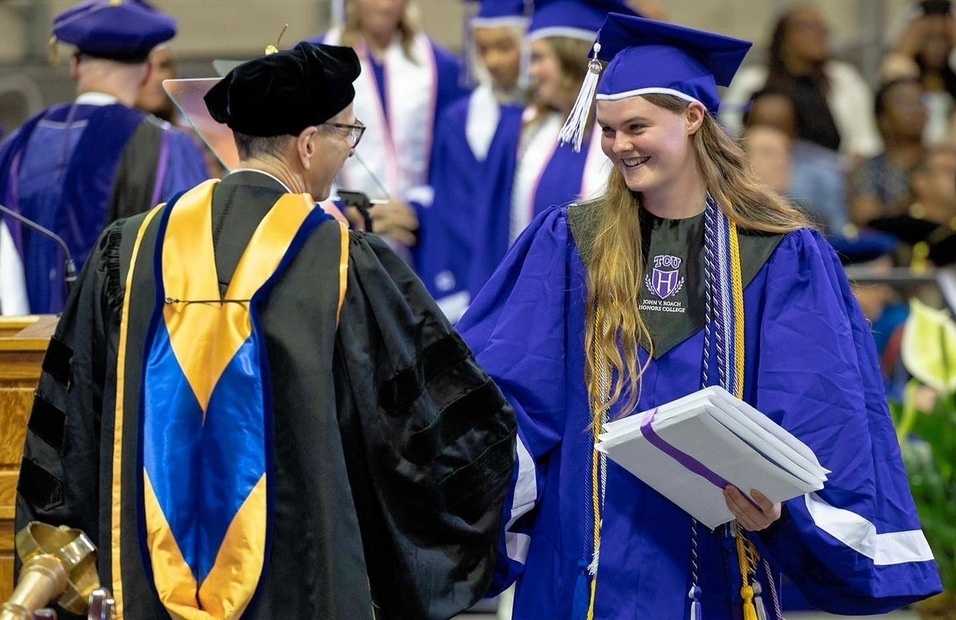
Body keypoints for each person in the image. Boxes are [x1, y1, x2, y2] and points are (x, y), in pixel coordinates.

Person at [456, 12, 942, 619]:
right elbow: (512, 387)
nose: (619, 146)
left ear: (692, 119)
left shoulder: (778, 253)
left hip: (719, 557)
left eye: (636, 126)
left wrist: (783, 500)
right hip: (581, 557)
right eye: (608, 130)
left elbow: (816, 399)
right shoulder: (570, 243)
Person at [14, 41, 516, 620]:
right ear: (307, 144)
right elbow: (423, 442)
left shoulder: (125, 250)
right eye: (347, 136)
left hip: (141, 588)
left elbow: (70, 432)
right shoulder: (347, 263)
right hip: (304, 589)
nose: (349, 155)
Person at [421, 0, 638, 321]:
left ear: (571, 60)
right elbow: (492, 236)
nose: (530, 70)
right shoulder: (522, 133)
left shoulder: (622, 144)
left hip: (604, 311)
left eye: (537, 58)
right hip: (529, 316)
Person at [0, 0, 209, 316]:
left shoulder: (19, 144)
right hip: (127, 357)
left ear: (74, 64)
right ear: (147, 71)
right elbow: (190, 261)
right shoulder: (169, 146)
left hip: (27, 348)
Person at [312, 0, 468, 264]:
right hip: (338, 233)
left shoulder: (442, 68)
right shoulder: (314, 62)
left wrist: (416, 211)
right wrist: (347, 210)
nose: (385, 6)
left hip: (417, 238)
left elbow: (454, 166)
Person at [418, 0, 529, 320]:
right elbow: (446, 212)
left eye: (504, 48)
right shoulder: (459, 121)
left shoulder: (547, 123)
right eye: (483, 49)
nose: (492, 61)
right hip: (465, 279)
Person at [720, 3, 881, 163]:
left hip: (836, 171)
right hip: (767, 168)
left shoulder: (845, 78)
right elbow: (729, 131)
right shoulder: (752, 81)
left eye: (823, 29)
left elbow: (866, 139)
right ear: (784, 38)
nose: (820, 35)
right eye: (809, 27)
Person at [849, 76, 929, 227]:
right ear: (882, 119)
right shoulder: (869, 169)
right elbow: (866, 220)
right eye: (905, 102)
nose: (916, 109)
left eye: (921, 101)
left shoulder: (943, 162)